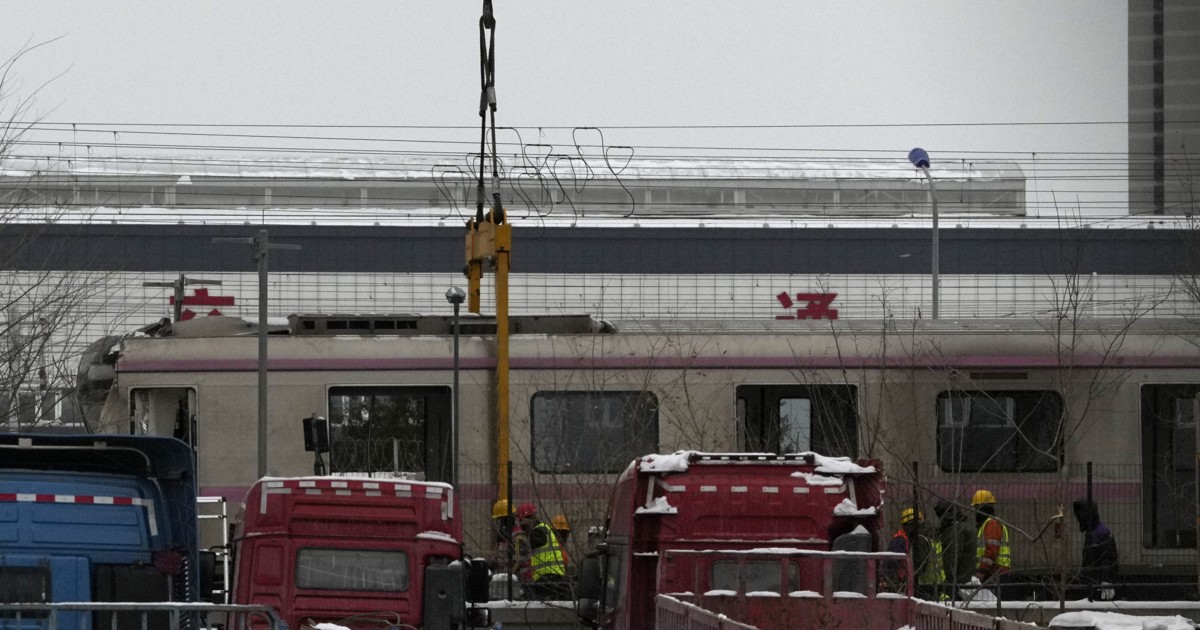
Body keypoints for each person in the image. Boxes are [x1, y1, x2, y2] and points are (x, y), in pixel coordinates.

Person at [515, 502, 569, 599]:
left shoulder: (537, 532)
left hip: (547, 577)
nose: (521, 525)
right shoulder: (544, 528)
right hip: (554, 576)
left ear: (529, 518)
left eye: (522, 521)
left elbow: (527, 550)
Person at [886, 507, 944, 599]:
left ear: (906, 525)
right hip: (940, 584)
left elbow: (891, 563)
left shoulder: (914, 539)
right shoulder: (934, 536)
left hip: (921, 586)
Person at [1072, 498, 1118, 600]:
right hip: (1094, 583)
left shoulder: (1100, 533)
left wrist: (1106, 579)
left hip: (1098, 585)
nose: (1078, 518)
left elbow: (1107, 559)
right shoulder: (1095, 532)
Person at [934, 498, 976, 592]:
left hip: (958, 580)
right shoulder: (964, 526)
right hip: (966, 577)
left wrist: (950, 579)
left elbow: (952, 555)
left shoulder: (954, 530)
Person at [972, 490, 1011, 586]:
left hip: (995, 573)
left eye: (976, 507)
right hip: (994, 573)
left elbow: (991, 551)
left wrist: (981, 573)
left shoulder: (992, 524)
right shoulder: (988, 524)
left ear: (981, 507)